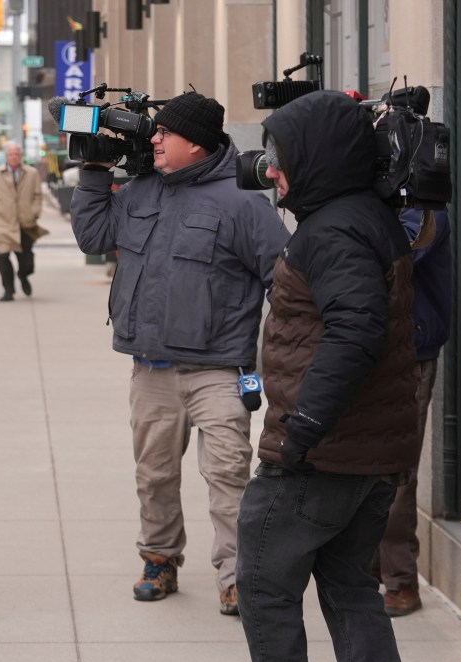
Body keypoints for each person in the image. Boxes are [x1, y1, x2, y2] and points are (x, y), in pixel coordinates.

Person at [70, 91, 290, 615]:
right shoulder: (140, 192)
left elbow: (286, 283)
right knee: (155, 475)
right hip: (151, 369)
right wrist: (94, 173)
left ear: (197, 143)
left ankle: (236, 577)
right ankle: (159, 558)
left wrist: (275, 357)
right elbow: (93, 236)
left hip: (219, 371)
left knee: (228, 476)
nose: (155, 139)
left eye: (166, 133)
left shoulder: (242, 203)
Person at [235, 90, 419, 662]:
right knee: (348, 585)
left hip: (323, 454)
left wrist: (303, 428)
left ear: (317, 157)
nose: (271, 171)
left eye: (281, 157)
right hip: (364, 451)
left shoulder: (334, 231)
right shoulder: (362, 218)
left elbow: (357, 330)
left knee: (261, 585)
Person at [375, 208, 452, 617]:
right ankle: (369, 567)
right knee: (359, 466)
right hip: (362, 349)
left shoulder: (424, 206)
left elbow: (393, 257)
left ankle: (400, 579)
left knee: (397, 473)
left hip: (410, 353)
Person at [0, 141, 47, 301]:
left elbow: (38, 196)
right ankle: (8, 290)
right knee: (3, 257)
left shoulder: (32, 173)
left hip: (25, 224)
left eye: (17, 154)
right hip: (3, 223)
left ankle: (23, 275)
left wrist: (34, 212)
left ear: (21, 156)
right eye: (11, 154)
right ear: (6, 156)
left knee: (26, 261)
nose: (14, 157)